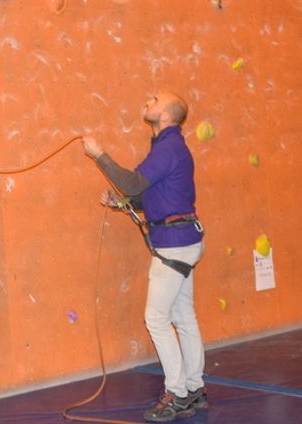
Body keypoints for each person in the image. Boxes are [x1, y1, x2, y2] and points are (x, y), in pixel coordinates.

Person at [83, 91, 207, 422]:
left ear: (165, 116)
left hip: (174, 243)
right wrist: (124, 204)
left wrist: (99, 155)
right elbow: (152, 194)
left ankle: (178, 393)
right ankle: (193, 388)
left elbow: (133, 182)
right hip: (181, 238)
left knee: (156, 318)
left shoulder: (168, 147)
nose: (147, 100)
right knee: (182, 315)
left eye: (153, 99)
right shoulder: (168, 148)